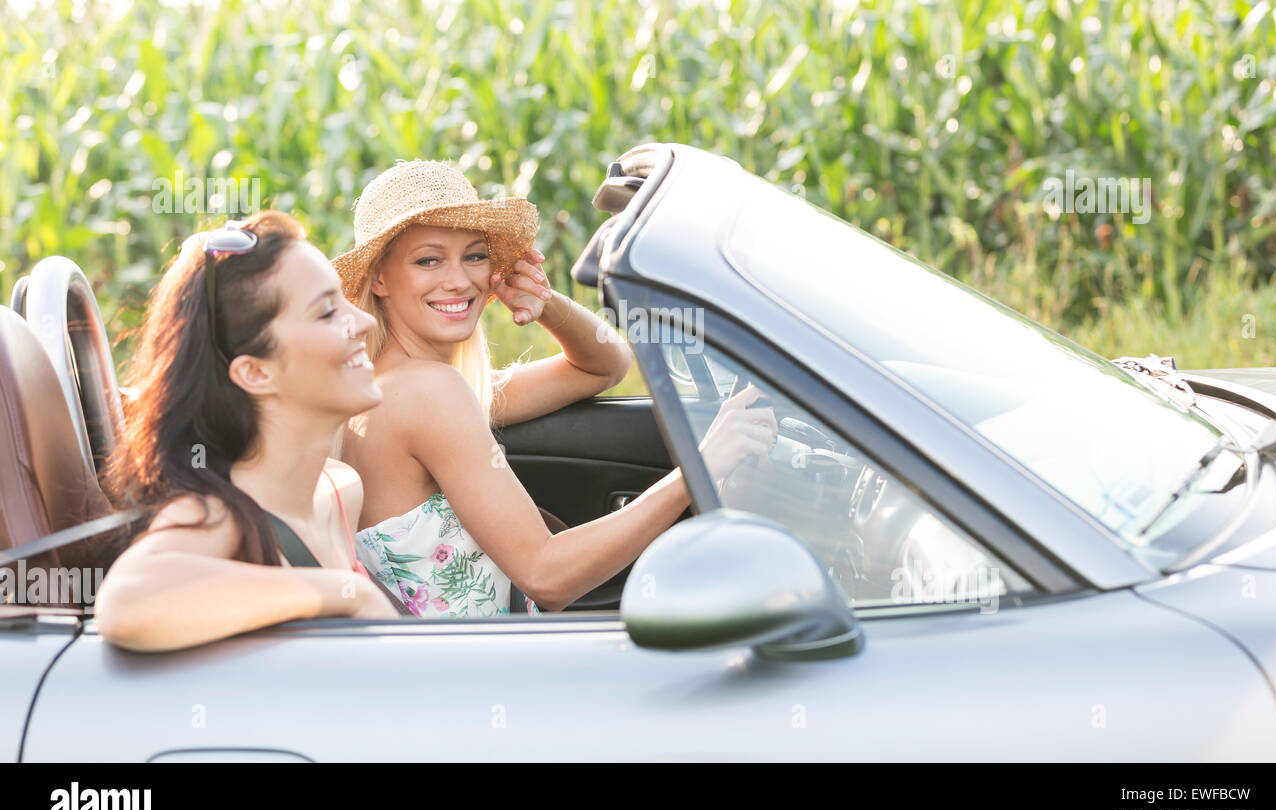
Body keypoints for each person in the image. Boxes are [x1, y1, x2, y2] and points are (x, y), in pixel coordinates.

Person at [332, 160, 777, 616]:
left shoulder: (392, 388)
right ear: (379, 278)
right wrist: (696, 471)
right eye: (428, 259)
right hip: (491, 673)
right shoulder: (428, 393)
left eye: (475, 256)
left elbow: (604, 366)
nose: (459, 280)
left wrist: (544, 304)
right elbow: (547, 576)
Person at [94, 211, 399, 652]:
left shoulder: (340, 487)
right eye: (328, 311)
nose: (365, 322)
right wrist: (347, 594)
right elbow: (126, 601)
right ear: (255, 372)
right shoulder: (219, 516)